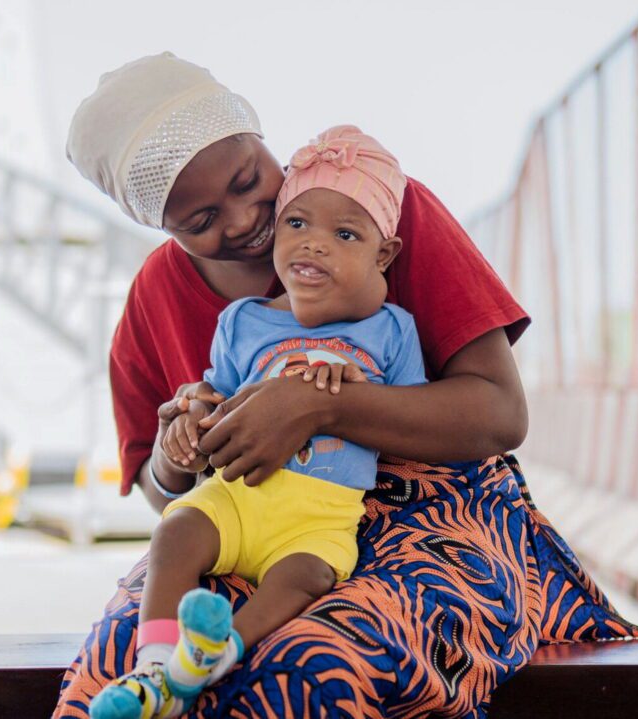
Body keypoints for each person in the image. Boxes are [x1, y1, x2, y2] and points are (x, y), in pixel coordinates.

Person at [57, 53, 638, 719]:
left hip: (435, 515)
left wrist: (317, 404)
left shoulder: (376, 208)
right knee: (113, 664)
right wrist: (177, 448)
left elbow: (501, 412)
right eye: (200, 221)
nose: (247, 216)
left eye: (251, 178)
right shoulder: (156, 299)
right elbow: (161, 491)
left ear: (258, 135)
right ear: (159, 227)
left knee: (317, 663)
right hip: (251, 523)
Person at [92, 126, 427, 719]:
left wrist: (348, 399)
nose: (313, 245)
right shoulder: (242, 321)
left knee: (302, 580)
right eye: (298, 226)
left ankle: (215, 656)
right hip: (238, 499)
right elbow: (209, 405)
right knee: (175, 531)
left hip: (322, 514)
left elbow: (421, 416)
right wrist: (190, 425)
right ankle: (153, 670)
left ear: (383, 253)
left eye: (343, 235)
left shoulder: (392, 328)